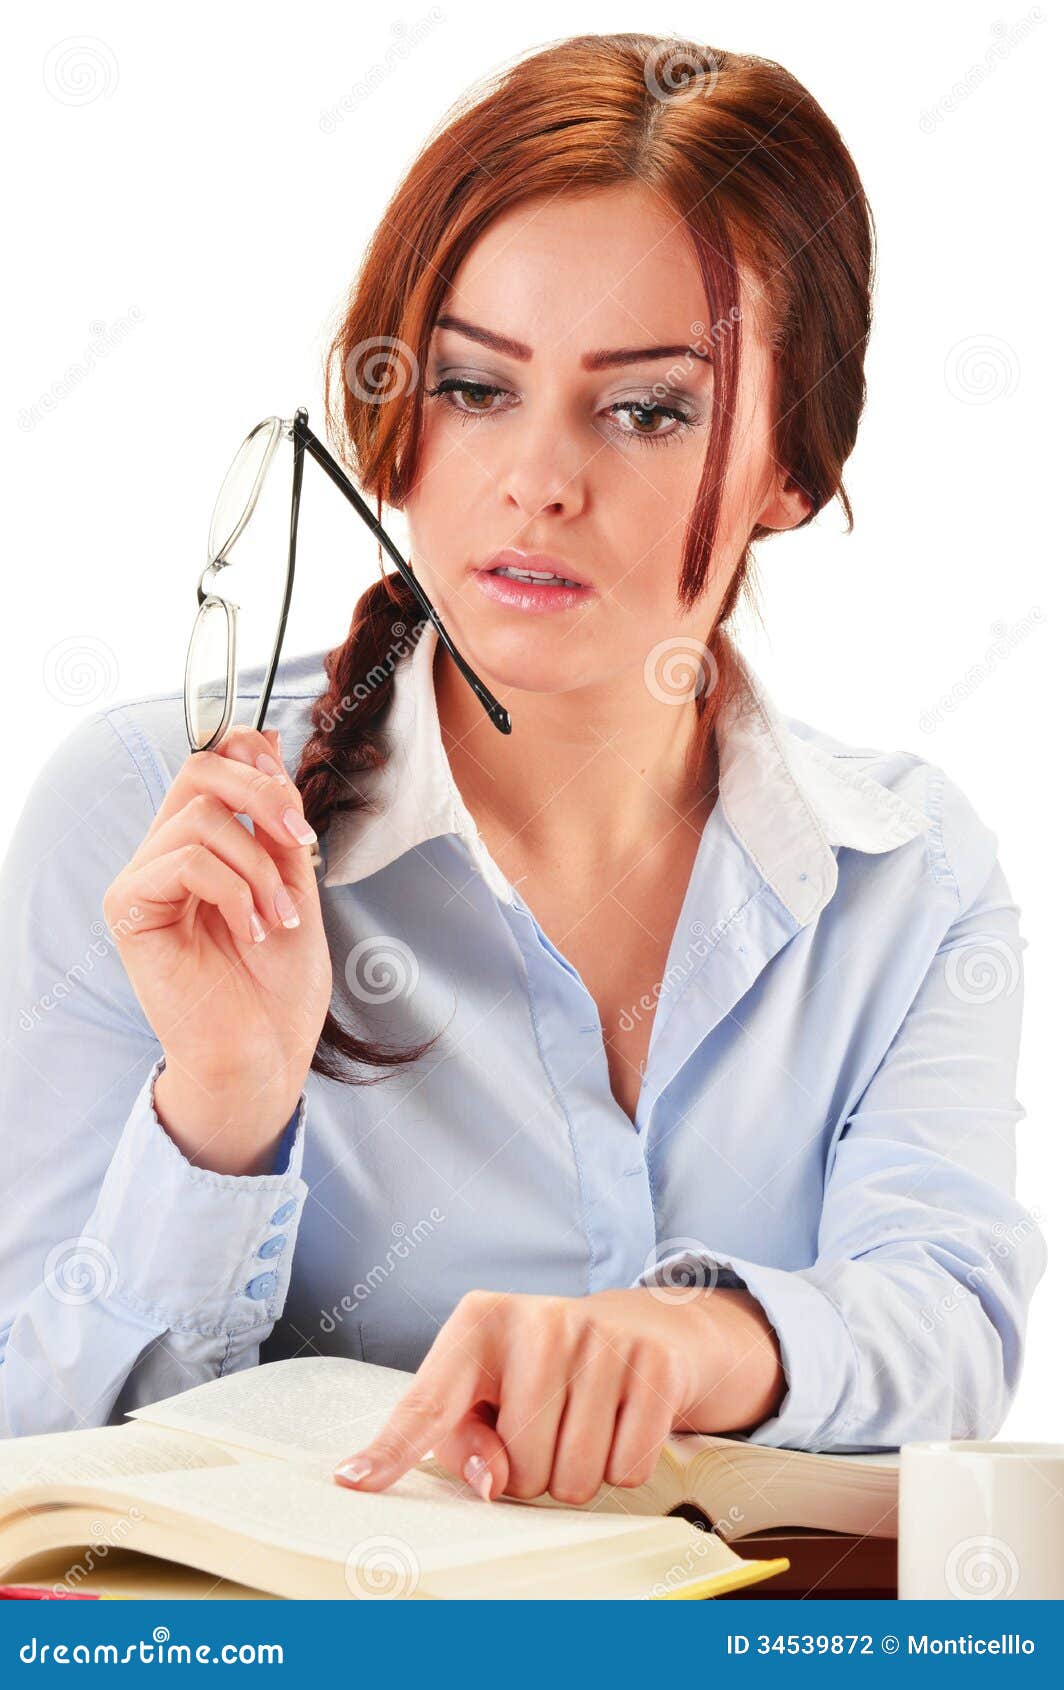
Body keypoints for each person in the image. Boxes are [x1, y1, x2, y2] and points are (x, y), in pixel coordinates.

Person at [0, 34, 1045, 1512]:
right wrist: (223, 1113)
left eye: (646, 408)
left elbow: (948, 1319)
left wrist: (690, 1340)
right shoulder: (150, 824)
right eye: (477, 387)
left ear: (795, 467)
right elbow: (40, 1468)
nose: (538, 478)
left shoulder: (907, 871)